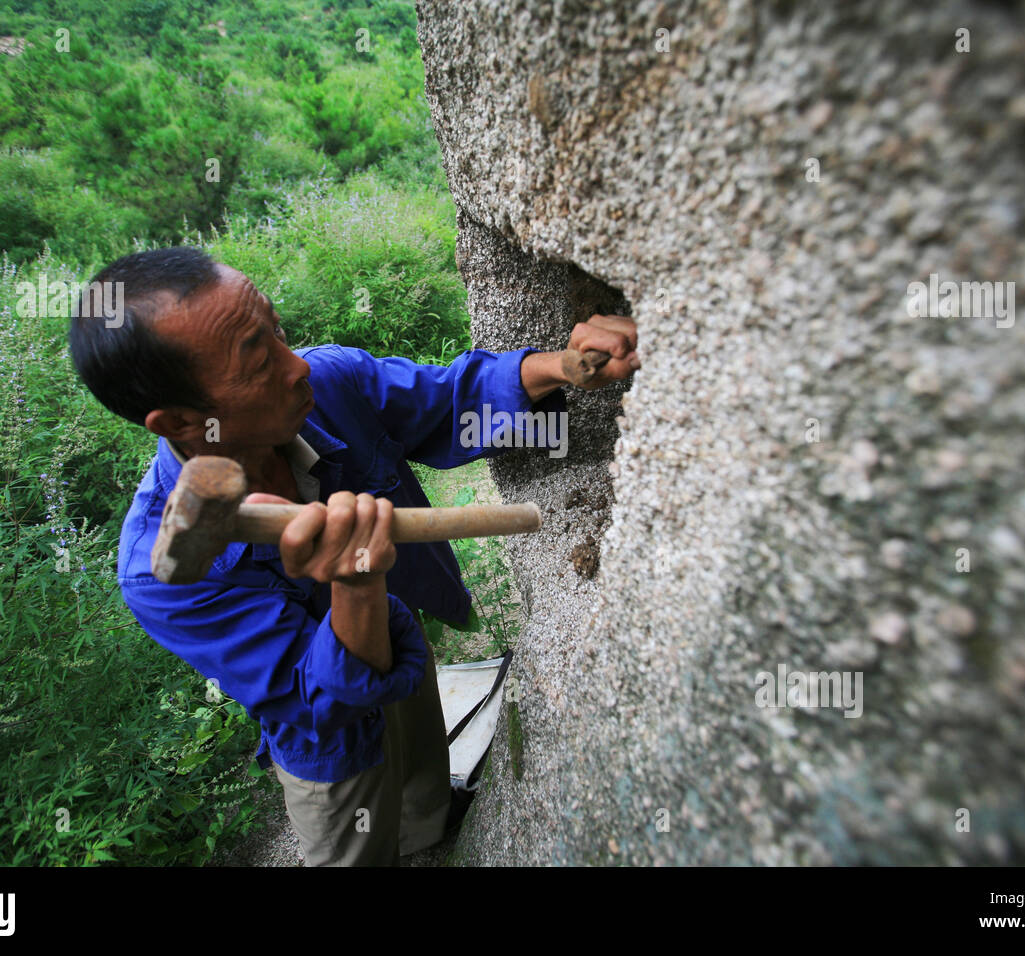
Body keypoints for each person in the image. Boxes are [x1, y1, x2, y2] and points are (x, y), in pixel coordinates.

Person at [68, 245, 639, 865]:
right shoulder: (161, 575)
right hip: (335, 747)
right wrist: (357, 583)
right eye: (259, 361)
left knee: (424, 785)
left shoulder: (328, 383)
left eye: (277, 331)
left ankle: (430, 835)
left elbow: (447, 400)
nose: (297, 369)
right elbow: (319, 700)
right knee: (356, 845)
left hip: (402, 653)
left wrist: (559, 367)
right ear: (181, 421)